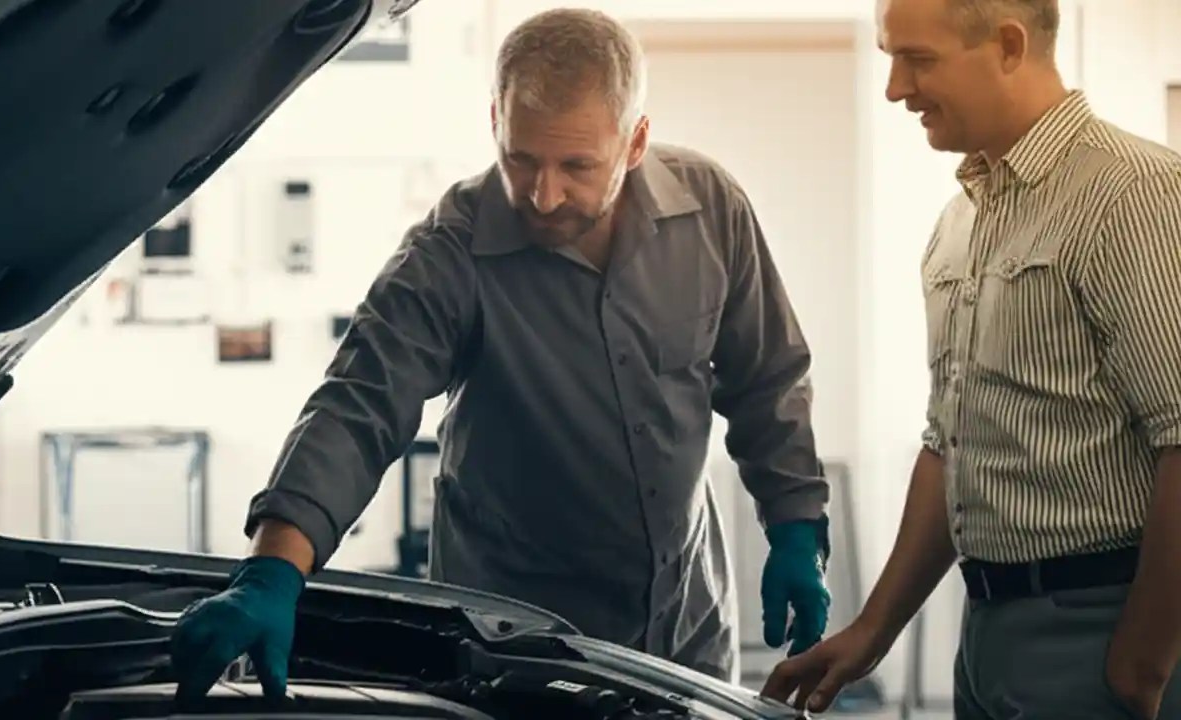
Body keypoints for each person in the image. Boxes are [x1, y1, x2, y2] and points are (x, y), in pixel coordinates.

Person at [168, 7, 832, 700]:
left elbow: (768, 380)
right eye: (521, 158)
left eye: (577, 166)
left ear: (635, 142)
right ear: (495, 122)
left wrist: (795, 529)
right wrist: (270, 574)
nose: (543, 195)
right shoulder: (450, 251)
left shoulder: (711, 211)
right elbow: (358, 405)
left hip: (688, 640)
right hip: (516, 657)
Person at [760, 0, 1181, 717]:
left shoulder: (1133, 195)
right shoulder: (959, 223)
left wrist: (1139, 665)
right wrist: (872, 630)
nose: (895, 87)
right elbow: (948, 449)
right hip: (987, 632)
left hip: (1102, 628)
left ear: (1009, 45)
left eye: (918, 60)